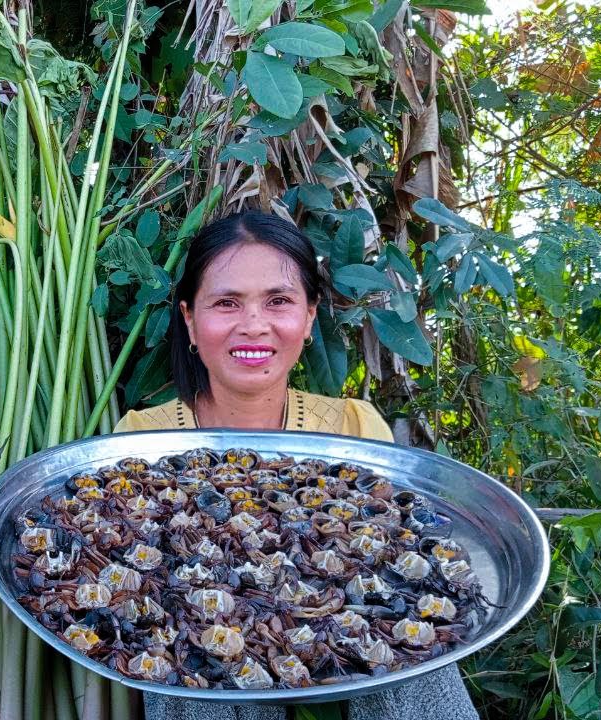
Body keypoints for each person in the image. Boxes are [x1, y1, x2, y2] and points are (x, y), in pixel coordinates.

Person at [116, 211, 478, 720]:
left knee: (419, 648)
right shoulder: (141, 442)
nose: (254, 325)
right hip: (209, 660)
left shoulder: (354, 428)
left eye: (278, 301)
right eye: (226, 303)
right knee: (197, 650)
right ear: (190, 320)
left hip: (347, 651)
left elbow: (399, 558)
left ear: (309, 318)